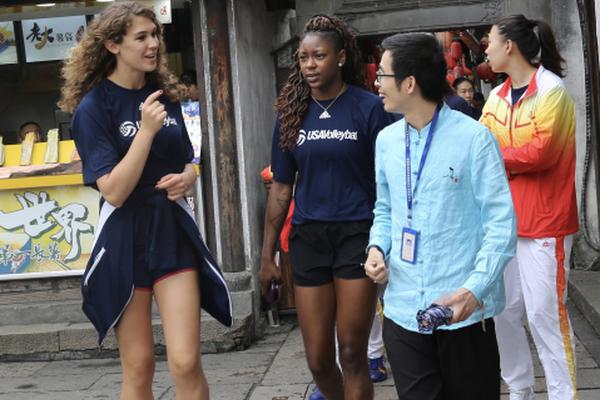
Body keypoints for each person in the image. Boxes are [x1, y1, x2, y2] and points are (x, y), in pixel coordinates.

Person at [58, 2, 232, 399]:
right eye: (142, 37)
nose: (153, 44)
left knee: (186, 361)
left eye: (155, 35)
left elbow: (189, 161)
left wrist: (189, 176)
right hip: (124, 238)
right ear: (113, 44)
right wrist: (146, 131)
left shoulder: (166, 96)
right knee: (139, 367)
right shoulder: (92, 108)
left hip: (172, 231)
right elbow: (114, 191)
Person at [364, 32, 516, 399]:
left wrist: (473, 291)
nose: (376, 83)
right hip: (402, 311)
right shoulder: (386, 142)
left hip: (461, 311)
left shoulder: (474, 139)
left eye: (383, 75)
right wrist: (376, 249)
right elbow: (384, 209)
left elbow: (501, 225)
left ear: (409, 82)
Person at [259, 14, 394, 400]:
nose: (309, 65)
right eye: (303, 58)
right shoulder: (290, 115)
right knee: (319, 359)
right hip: (309, 238)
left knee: (352, 352)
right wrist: (268, 254)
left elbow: (387, 181)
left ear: (339, 58)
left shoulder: (369, 108)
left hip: (357, 234)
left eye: (318, 56)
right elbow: (281, 188)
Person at [482, 14, 579, 400]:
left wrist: (497, 156)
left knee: (545, 315)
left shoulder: (552, 92)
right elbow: (481, 146)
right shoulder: (496, 97)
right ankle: (519, 389)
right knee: (503, 312)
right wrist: (501, 156)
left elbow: (541, 153)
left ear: (510, 46)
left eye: (489, 40)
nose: (485, 47)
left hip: (546, 223)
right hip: (506, 224)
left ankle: (563, 393)